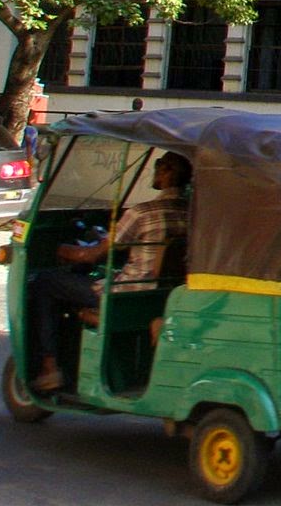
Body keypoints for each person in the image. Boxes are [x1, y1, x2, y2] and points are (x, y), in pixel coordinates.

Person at [27, 151, 192, 393]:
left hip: (126, 296)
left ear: (168, 173)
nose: (155, 170)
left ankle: (49, 368)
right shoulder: (194, 213)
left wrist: (61, 249)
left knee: (46, 282)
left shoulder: (143, 213)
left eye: (159, 165)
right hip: (167, 295)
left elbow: (92, 255)